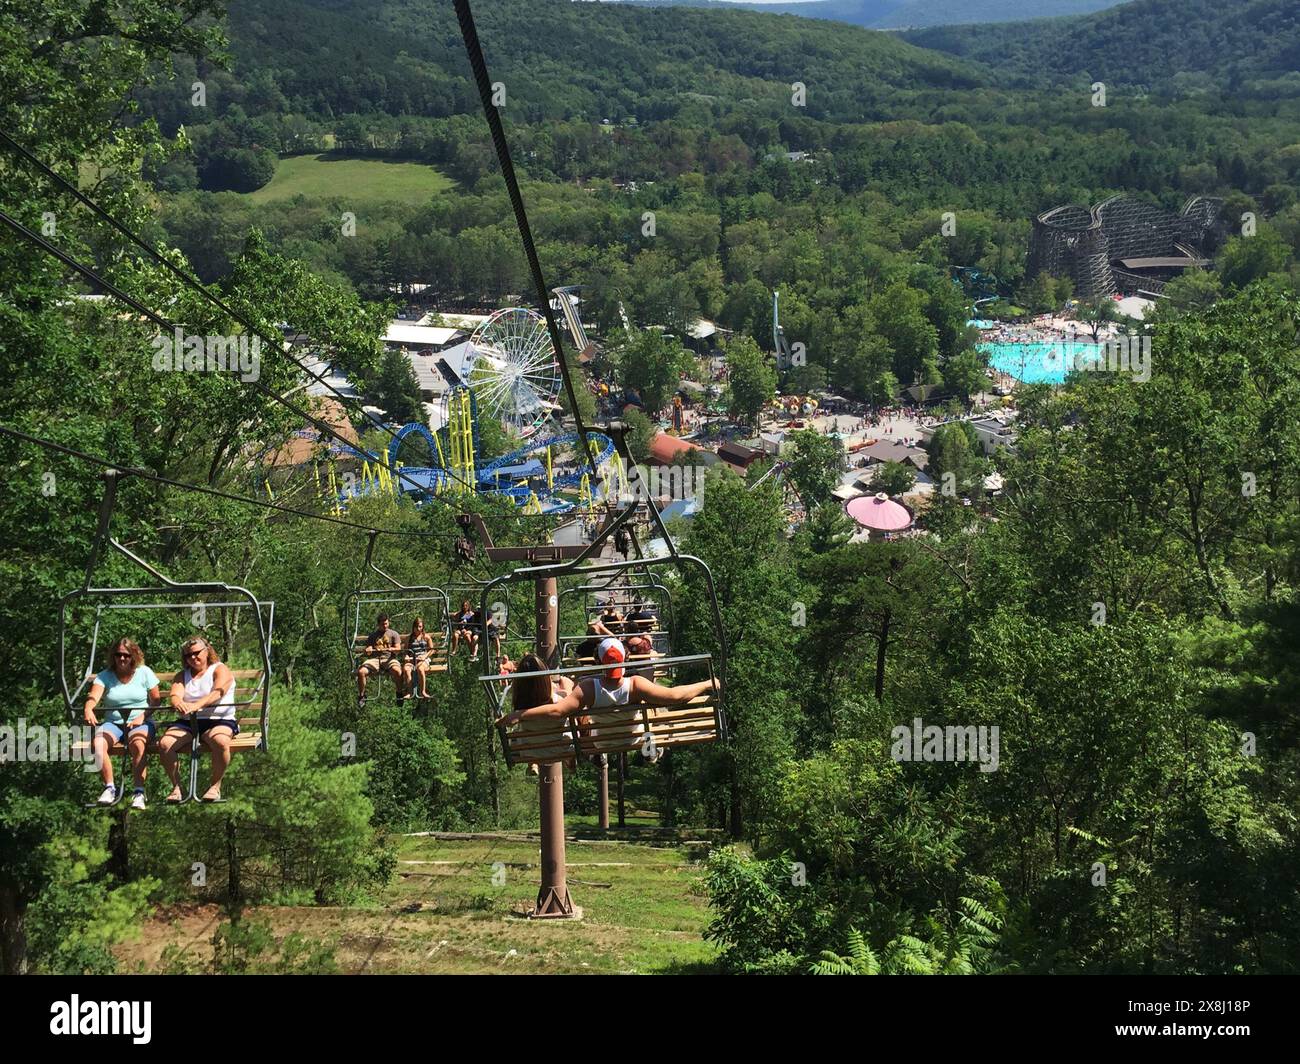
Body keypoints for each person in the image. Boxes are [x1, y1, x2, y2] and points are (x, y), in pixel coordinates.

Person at [499, 638, 718, 761]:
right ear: (625, 659)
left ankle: (600, 756)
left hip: (600, 742)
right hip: (633, 739)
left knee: (589, 720)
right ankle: (652, 750)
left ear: (598, 661)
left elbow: (559, 711)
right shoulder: (636, 684)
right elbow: (675, 696)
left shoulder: (588, 688)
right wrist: (708, 683)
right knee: (651, 710)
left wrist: (517, 715)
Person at [158, 636, 238, 803]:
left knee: (221, 741)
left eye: (196, 653)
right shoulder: (182, 675)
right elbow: (175, 694)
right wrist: (178, 702)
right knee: (165, 744)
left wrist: (196, 706)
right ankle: (176, 787)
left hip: (218, 719)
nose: (193, 658)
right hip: (189, 722)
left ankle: (215, 786)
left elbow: (218, 692)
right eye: (188, 655)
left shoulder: (219, 669)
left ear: (207, 651)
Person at [83, 637, 160, 809]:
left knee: (138, 743)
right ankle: (109, 788)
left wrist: (143, 715)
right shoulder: (105, 676)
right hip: (114, 723)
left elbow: (156, 700)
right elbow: (93, 696)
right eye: (118, 655)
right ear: (113, 656)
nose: (122, 659)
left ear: (134, 656)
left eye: (126, 655)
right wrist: (89, 708)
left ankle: (139, 792)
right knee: (98, 742)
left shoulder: (144, 672)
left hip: (141, 721)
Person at [356, 612, 403, 706]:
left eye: (386, 623)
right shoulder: (373, 636)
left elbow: (398, 649)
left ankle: (399, 693)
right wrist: (368, 650)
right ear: (378, 624)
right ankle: (362, 695)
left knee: (397, 671)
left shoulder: (393, 634)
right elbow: (368, 650)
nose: (385, 626)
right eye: (382, 624)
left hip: (389, 658)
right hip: (375, 659)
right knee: (361, 672)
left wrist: (393, 649)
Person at [402, 616, 434, 700]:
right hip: (412, 659)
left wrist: (425, 656)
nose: (418, 629)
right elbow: (405, 650)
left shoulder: (426, 637)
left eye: (420, 627)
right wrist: (406, 655)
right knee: (406, 669)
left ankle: (423, 691)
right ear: (413, 627)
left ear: (422, 627)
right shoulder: (409, 638)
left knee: (420, 669)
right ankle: (409, 691)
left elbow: (432, 650)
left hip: (422, 659)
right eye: (416, 627)